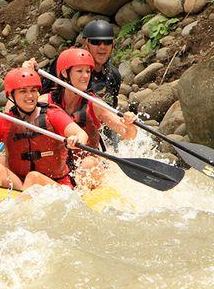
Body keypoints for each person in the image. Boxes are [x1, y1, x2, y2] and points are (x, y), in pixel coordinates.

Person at [0, 67, 88, 190]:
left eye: (33, 90)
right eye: (23, 91)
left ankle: (17, 205)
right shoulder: (5, 121)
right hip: (21, 185)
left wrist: (76, 140)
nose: (30, 96)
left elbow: (81, 134)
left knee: (33, 178)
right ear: (11, 95)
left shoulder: (52, 114)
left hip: (57, 186)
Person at [36, 48, 138, 188]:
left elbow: (128, 135)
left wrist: (130, 124)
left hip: (88, 169)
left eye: (88, 71)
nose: (85, 76)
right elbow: (14, 114)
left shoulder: (95, 105)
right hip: (59, 172)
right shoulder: (45, 101)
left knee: (89, 163)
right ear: (65, 73)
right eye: (79, 71)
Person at [41, 19, 122, 108]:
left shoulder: (114, 75)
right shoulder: (67, 62)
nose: (102, 47)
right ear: (85, 42)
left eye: (107, 42)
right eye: (96, 42)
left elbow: (112, 109)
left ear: (113, 44)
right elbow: (43, 93)